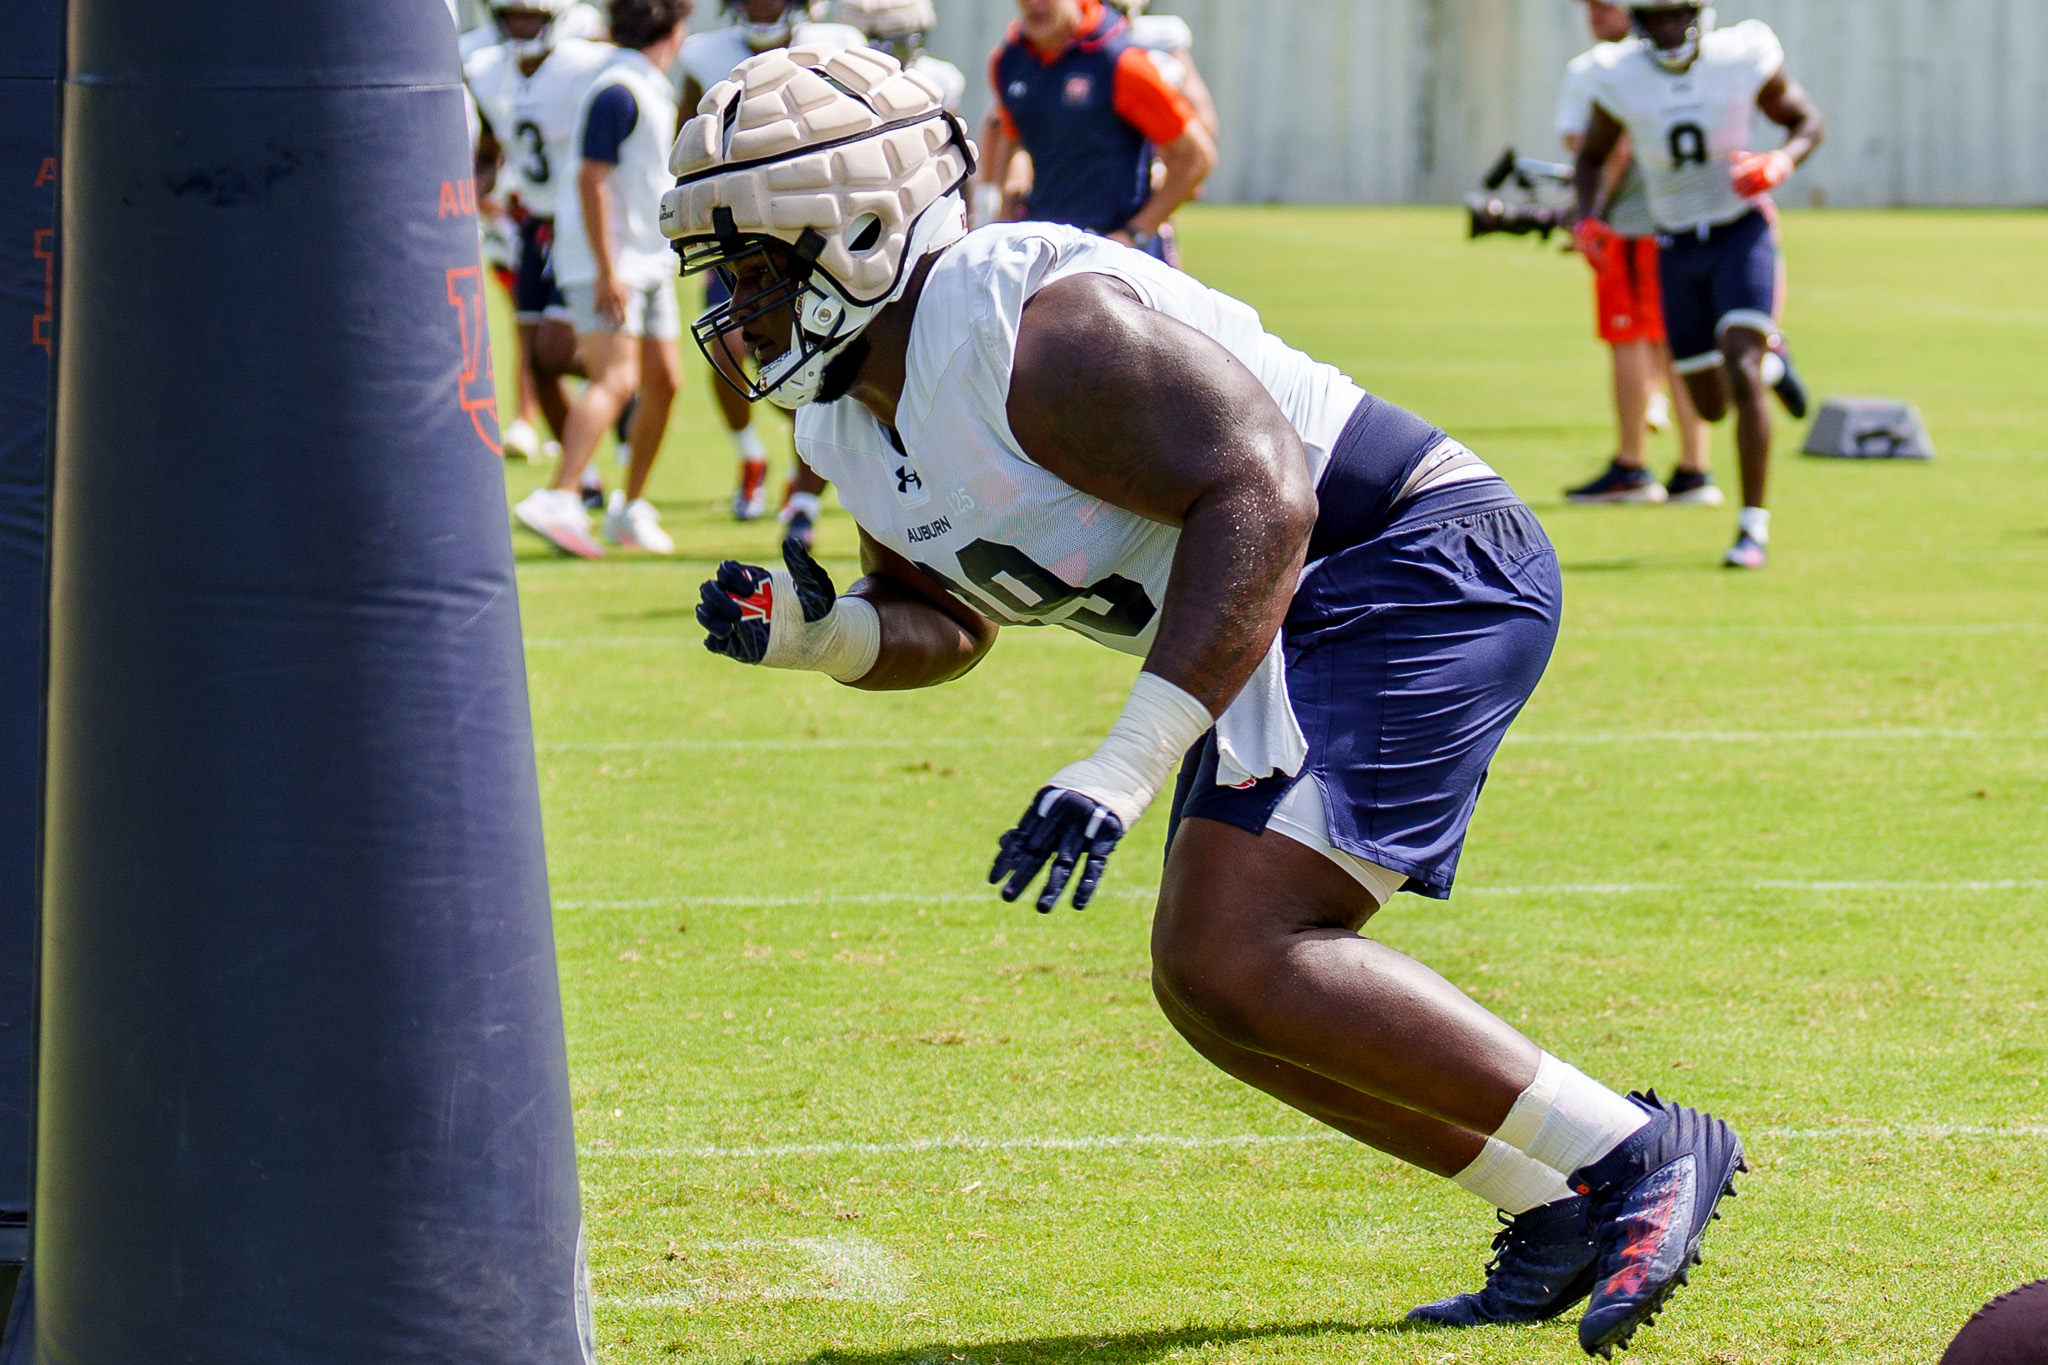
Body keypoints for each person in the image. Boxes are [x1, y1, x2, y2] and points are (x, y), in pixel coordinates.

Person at [673, 44, 1746, 1356]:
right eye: (724, 275)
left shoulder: (1030, 324)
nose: (738, 307)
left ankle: (1636, 1152)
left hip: (1402, 558)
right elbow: (948, 620)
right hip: (1292, 606)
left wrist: (1123, 767)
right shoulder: (846, 418)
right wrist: (822, 635)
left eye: (762, 269)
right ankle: (1552, 1199)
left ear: (861, 231)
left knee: (1241, 942)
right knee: (1209, 981)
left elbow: (1264, 494)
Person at [1573, 2, 1823, 567]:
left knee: (1740, 364)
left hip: (1741, 231)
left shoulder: (1741, 54)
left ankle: (1751, 527)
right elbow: (1591, 156)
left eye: (1674, 15)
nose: (1665, 29)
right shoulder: (1620, 76)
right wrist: (1587, 218)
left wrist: (1780, 161)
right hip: (1675, 245)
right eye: (1653, 18)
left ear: (1698, 14)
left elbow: (1807, 122)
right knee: (1710, 404)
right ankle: (1774, 363)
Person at [679, 0, 865, 539]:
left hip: (811, 231)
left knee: (817, 360)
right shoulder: (704, 54)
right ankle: (762, 459)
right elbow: (687, 147)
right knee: (731, 347)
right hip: (739, 232)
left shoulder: (838, 45)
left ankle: (806, 499)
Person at [515, 0, 691, 557]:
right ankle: (559, 496)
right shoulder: (620, 89)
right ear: (675, 29)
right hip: (609, 262)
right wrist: (606, 271)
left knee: (664, 380)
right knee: (617, 380)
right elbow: (592, 180)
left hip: (647, 258)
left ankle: (629, 510)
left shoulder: (644, 85)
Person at [1557, 0, 1716, 506]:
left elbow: (1607, 150)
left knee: (1628, 341)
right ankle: (1695, 469)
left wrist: (1588, 216)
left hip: (1631, 227)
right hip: (1683, 221)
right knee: (1679, 345)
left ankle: (1633, 465)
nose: (1595, 14)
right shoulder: (1691, 60)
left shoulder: (1605, 69)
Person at [464, 0, 615, 495]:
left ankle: (618, 382)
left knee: (554, 348)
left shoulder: (585, 64)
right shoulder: (484, 68)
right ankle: (588, 477)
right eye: (512, 17)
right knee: (536, 361)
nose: (521, 26)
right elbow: (492, 145)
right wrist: (474, 187)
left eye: (532, 16)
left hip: (575, 220)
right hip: (530, 223)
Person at [975, 0, 1216, 262]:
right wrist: (1005, 209)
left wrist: (1134, 233)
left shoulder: (1119, 60)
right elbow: (1016, 138)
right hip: (1044, 251)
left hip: (1116, 257)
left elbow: (1197, 156)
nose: (1033, 2)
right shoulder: (1008, 60)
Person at [839, 0, 966, 112]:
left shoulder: (938, 79)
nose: (890, 54)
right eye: (879, 45)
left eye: (899, 45)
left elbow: (953, 132)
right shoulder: (840, 77)